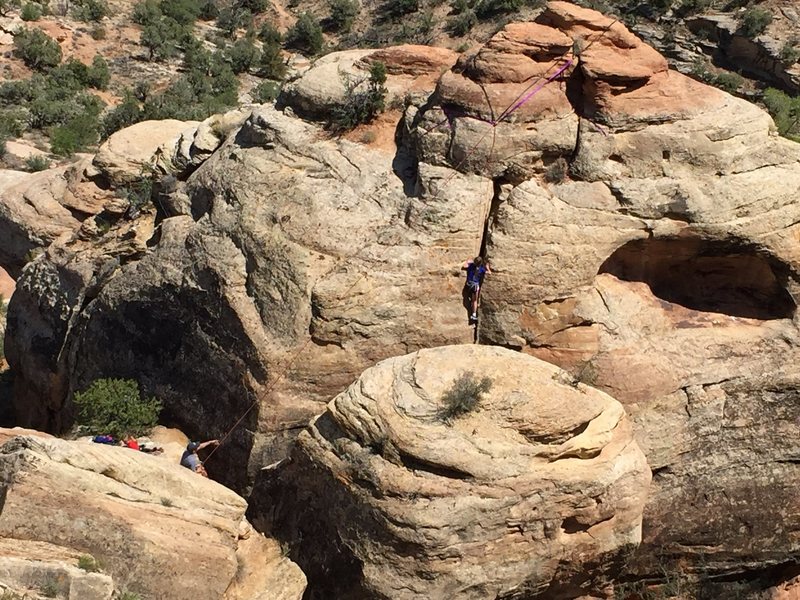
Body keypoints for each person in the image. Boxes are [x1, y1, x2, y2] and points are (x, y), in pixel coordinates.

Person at [462, 256, 490, 321]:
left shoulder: (471, 266)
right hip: (475, 286)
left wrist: (468, 261)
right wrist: (488, 268)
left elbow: (464, 266)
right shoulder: (481, 269)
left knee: (472, 299)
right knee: (475, 300)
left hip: (468, 285)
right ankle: (474, 314)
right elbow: (489, 273)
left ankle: (472, 308)